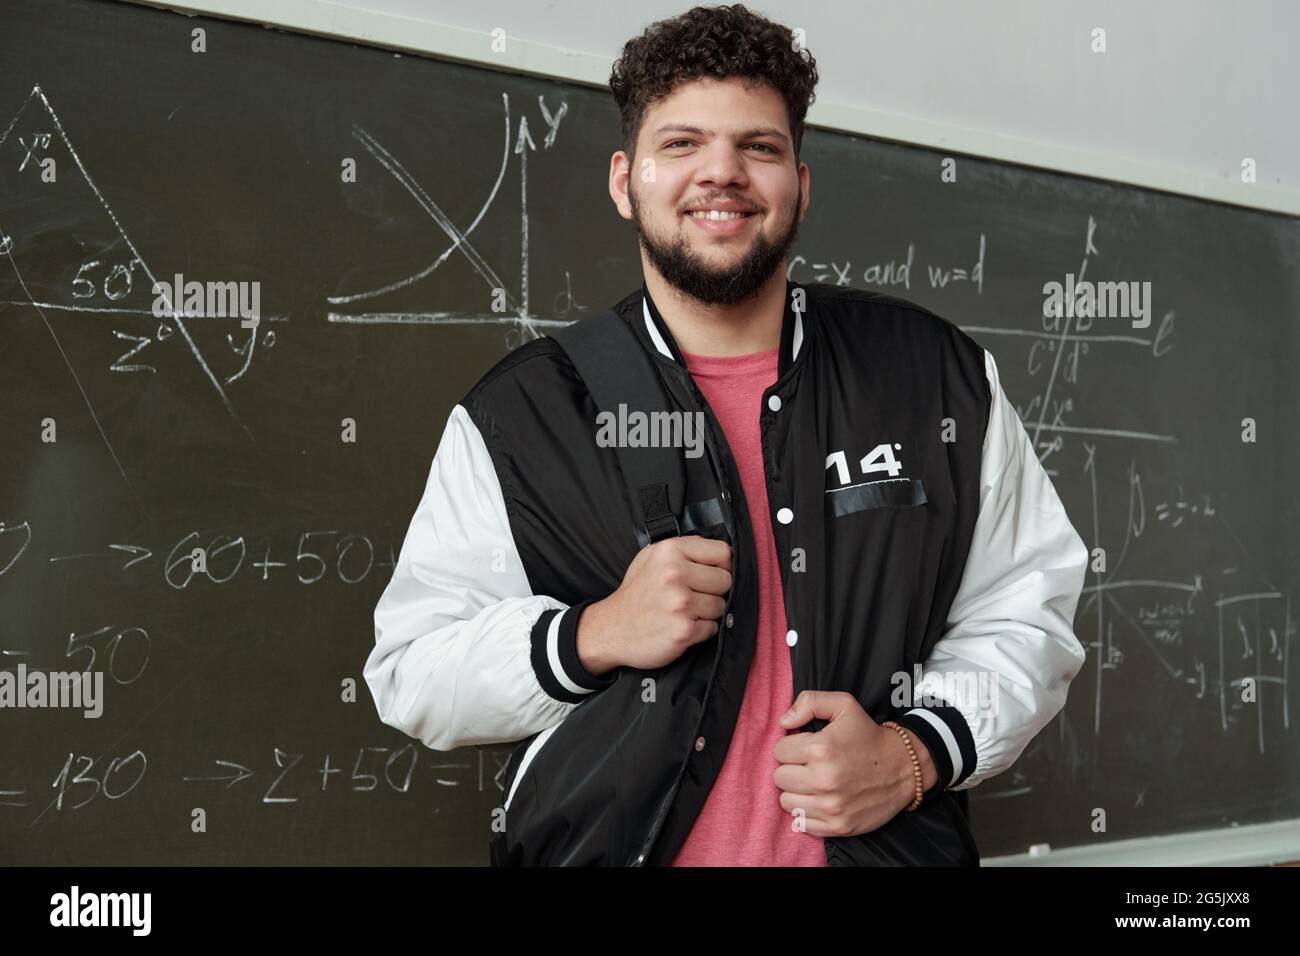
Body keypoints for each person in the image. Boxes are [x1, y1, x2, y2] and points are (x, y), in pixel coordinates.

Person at [364, 3, 1088, 866]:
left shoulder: (933, 375)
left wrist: (916, 752)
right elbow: (412, 671)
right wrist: (591, 633)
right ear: (625, 181)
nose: (722, 173)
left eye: (759, 147)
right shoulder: (523, 414)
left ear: (800, 185)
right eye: (682, 143)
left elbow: (1027, 606)